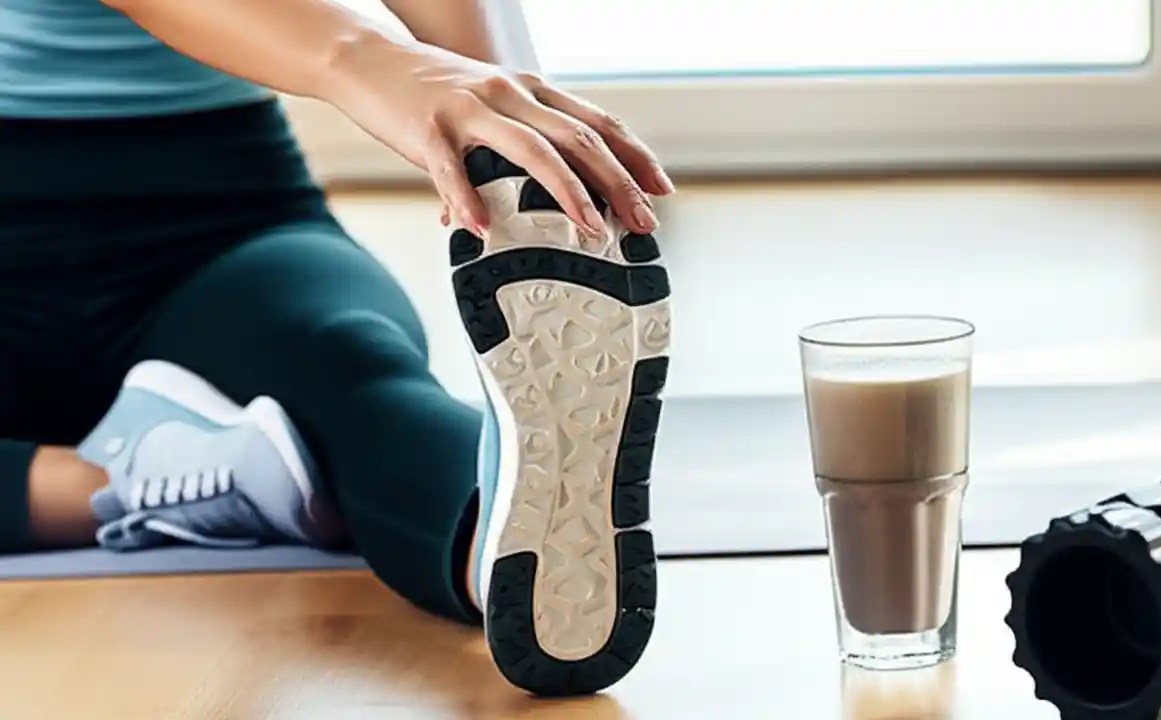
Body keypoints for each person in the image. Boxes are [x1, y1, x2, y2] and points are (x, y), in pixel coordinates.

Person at [0, 0, 673, 697]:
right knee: (310, 443)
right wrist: (371, 60)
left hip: (228, 220)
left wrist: (513, 148)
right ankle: (152, 482)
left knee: (351, 369)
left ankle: (504, 550)